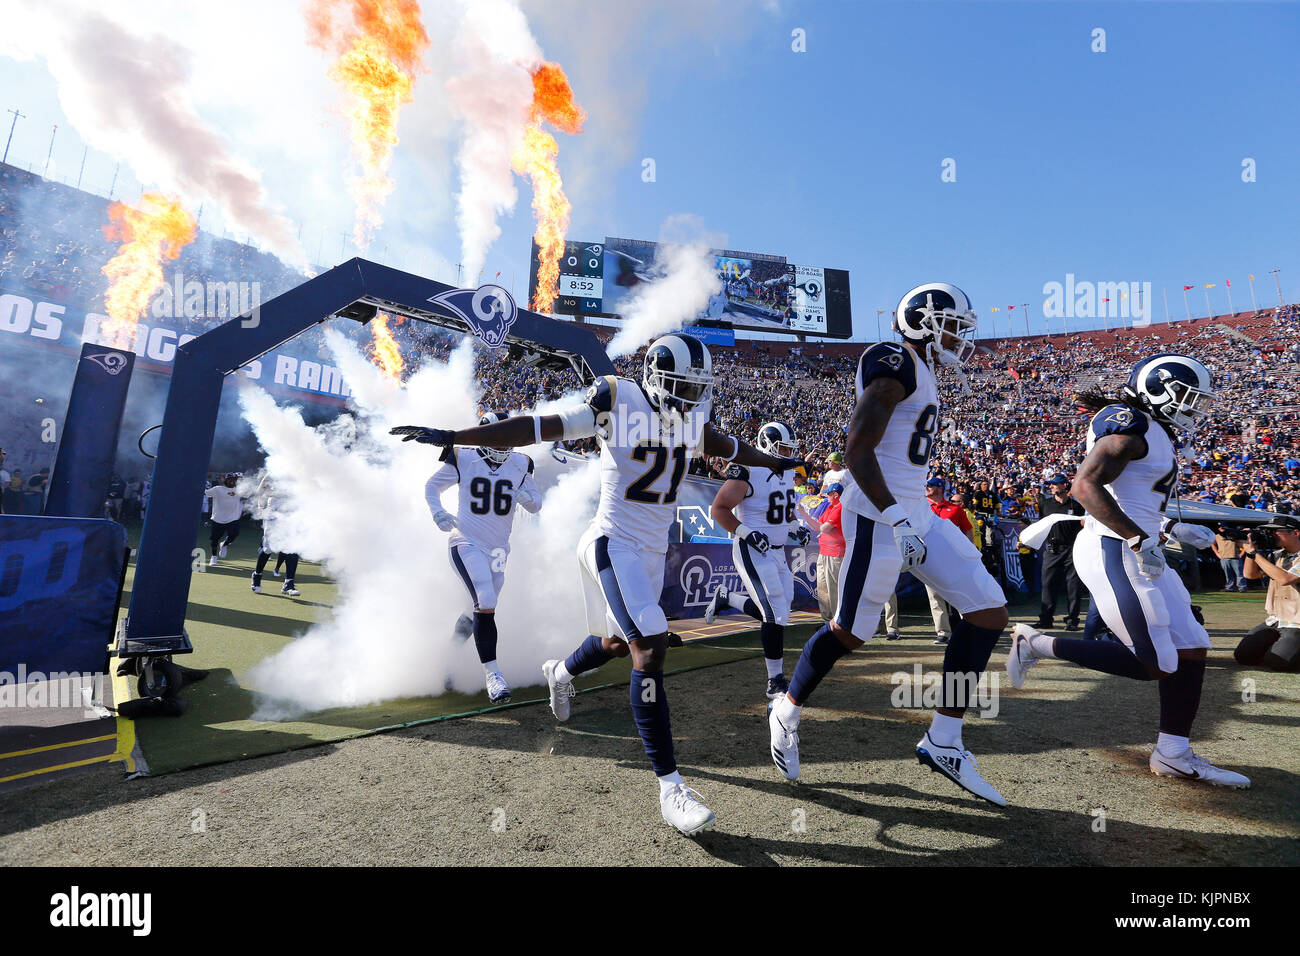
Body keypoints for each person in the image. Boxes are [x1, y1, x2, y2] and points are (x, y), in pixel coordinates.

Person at [392, 334, 803, 836]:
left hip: (650, 554)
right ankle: (670, 787)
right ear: (655, 377)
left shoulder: (691, 419)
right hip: (613, 540)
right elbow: (540, 427)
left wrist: (775, 463)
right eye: (682, 386)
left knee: (613, 643)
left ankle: (561, 672)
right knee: (649, 648)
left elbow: (727, 446)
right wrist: (458, 436)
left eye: (697, 389)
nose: (689, 398)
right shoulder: (618, 397)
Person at [769, 282, 1011, 805]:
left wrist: (910, 517)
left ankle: (943, 739)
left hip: (916, 513)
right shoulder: (894, 360)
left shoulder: (923, 369)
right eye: (953, 324)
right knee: (851, 633)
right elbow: (857, 450)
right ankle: (786, 709)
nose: (959, 336)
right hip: (877, 517)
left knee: (989, 609)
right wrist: (897, 519)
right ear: (923, 320)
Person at [1008, 354, 1250, 789]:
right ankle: (1036, 643)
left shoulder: (1154, 431)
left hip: (1139, 545)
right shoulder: (1131, 424)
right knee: (1156, 661)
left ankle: (1173, 753)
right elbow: (1085, 486)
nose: (1194, 408)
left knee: (1192, 646)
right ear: (1159, 390)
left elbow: (1136, 500)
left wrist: (1171, 527)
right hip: (1113, 547)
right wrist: (1138, 538)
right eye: (1188, 398)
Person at [425, 412, 544, 704]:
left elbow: (536, 504)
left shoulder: (521, 463)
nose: (504, 446)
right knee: (486, 600)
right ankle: (493, 675)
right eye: (498, 439)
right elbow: (432, 486)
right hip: (466, 541)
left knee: (476, 609)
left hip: (499, 550)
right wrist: (438, 512)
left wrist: (528, 499)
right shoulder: (464, 457)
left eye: (509, 440)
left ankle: (450, 657)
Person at [702, 421, 807, 700]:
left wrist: (796, 528)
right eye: (782, 447)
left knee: (781, 612)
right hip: (752, 549)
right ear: (767, 445)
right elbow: (719, 509)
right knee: (773, 612)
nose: (786, 452)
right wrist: (746, 531)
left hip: (777, 549)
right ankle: (775, 681)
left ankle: (727, 598)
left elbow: (783, 511)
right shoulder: (748, 469)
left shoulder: (785, 471)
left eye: (789, 448)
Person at [1237, 516, 1300, 671]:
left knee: (1278, 663)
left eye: (1275, 531)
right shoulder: (1277, 555)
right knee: (1244, 656)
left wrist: (1255, 554)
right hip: (1276, 619)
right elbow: (1250, 575)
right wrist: (1252, 552)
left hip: (1297, 621)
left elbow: (1285, 579)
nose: (1271, 535)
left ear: (1296, 533)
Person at [924, 476, 975, 645]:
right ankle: (943, 632)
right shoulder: (921, 508)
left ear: (939, 489)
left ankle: (967, 629)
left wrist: (966, 551)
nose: (926, 488)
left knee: (959, 595)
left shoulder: (954, 509)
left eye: (930, 486)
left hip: (951, 558)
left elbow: (968, 530)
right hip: (929, 558)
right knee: (934, 596)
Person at [1035, 474, 1085, 630]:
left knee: (1074, 587)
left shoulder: (1076, 507)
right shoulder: (1045, 504)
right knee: (1048, 585)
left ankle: (1072, 621)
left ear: (1064, 485)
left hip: (1072, 550)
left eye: (1054, 484)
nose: (1051, 487)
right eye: (1050, 485)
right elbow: (1041, 525)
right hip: (1052, 550)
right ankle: (1046, 620)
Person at [250, 476, 303, 598]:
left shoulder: (302, 468)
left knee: (292, 547)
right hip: (274, 507)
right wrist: (261, 507)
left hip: (293, 508)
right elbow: (261, 489)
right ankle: (257, 574)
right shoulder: (275, 469)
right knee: (268, 548)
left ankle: (289, 583)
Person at [806, 483, 846, 624]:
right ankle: (827, 621)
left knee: (833, 590)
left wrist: (804, 513)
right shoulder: (830, 507)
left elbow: (824, 528)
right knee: (823, 588)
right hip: (824, 551)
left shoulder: (840, 507)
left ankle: (838, 622)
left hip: (835, 553)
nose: (827, 496)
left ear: (836, 495)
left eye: (829, 494)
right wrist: (806, 514)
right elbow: (817, 525)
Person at [204, 473, 244, 566]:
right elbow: (206, 493)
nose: (232, 481)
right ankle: (213, 557)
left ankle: (224, 544)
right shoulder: (217, 489)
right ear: (225, 480)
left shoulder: (239, 490)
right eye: (229, 479)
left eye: (233, 479)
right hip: (218, 518)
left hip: (233, 518)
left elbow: (251, 492)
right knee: (214, 540)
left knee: (234, 534)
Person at [1212, 524, 1247, 592]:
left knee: (1239, 573)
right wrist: (1217, 553)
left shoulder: (1234, 534)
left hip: (1235, 557)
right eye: (1220, 527)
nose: (1221, 528)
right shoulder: (1217, 536)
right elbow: (1213, 545)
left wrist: (1242, 553)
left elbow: (1245, 544)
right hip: (1224, 558)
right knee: (1228, 574)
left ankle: (1242, 587)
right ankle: (1229, 587)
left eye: (1223, 526)